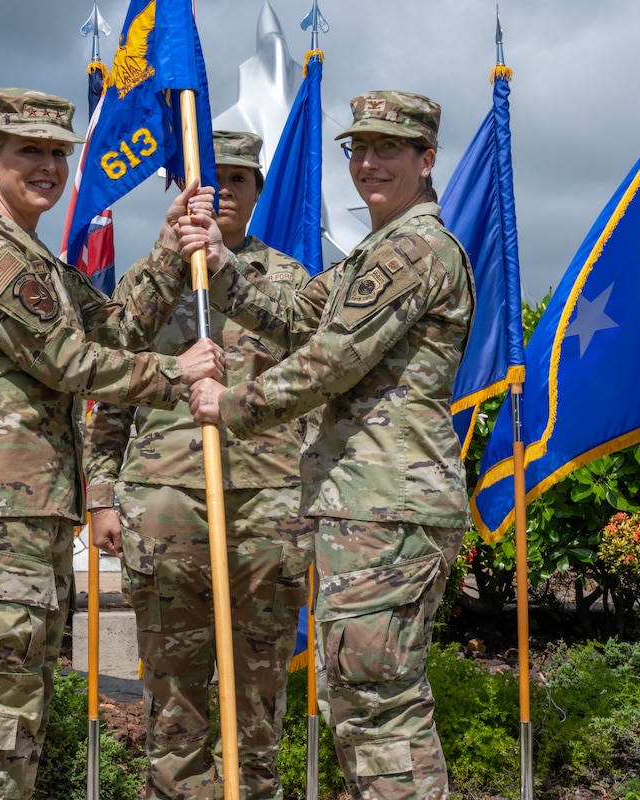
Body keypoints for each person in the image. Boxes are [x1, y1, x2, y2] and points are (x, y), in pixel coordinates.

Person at [0, 87, 223, 800]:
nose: (49, 166)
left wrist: (168, 244)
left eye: (59, 152)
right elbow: (70, 362)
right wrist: (175, 375)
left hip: (32, 511)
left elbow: (116, 329)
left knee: (20, 709)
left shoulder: (41, 265)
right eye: (30, 150)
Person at [181, 92, 475, 799]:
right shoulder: (370, 256)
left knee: (378, 704)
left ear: (426, 159)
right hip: (367, 504)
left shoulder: (414, 249)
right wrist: (219, 263)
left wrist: (231, 406)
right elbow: (292, 316)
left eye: (389, 150)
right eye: (358, 150)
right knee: (360, 698)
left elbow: (329, 361)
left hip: (388, 505)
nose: (369, 163)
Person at [84, 131, 314, 800]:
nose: (225, 194)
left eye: (239, 180)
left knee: (260, 693)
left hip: (269, 507)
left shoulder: (292, 283)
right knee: (173, 694)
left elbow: (324, 384)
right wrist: (102, 494)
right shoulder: (149, 281)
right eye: (212, 181)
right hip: (165, 505)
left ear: (257, 191)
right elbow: (109, 387)